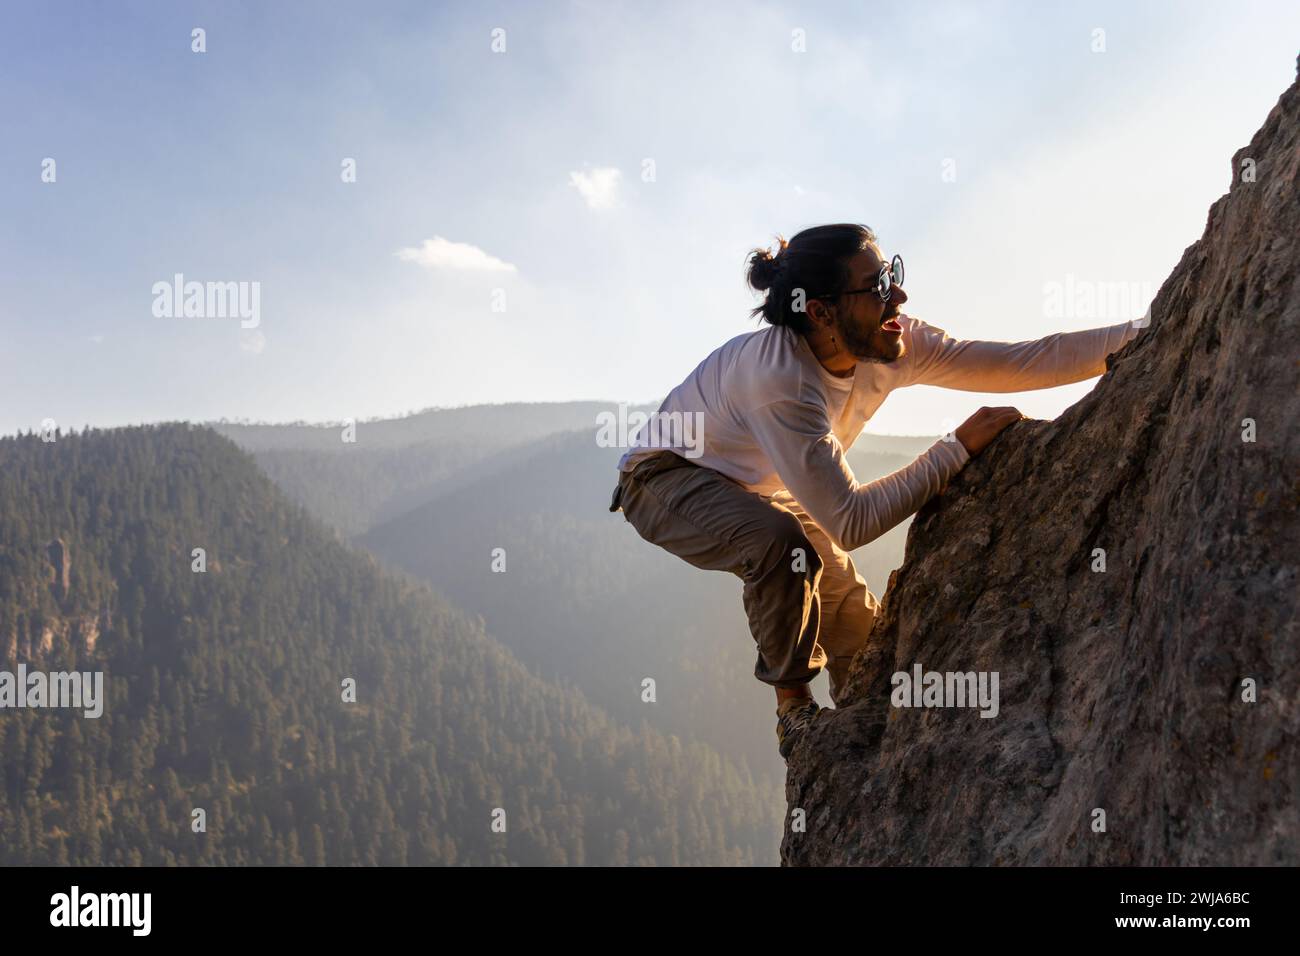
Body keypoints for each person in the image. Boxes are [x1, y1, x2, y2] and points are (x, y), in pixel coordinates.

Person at [608, 223, 1139, 760]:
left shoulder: (895, 340)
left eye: (893, 273)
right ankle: (793, 711)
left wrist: (1153, 327)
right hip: (664, 476)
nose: (899, 294)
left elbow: (1023, 360)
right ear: (821, 313)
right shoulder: (781, 383)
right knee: (781, 546)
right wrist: (955, 448)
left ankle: (863, 744)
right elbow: (852, 523)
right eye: (879, 283)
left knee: (865, 640)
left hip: (764, 481)